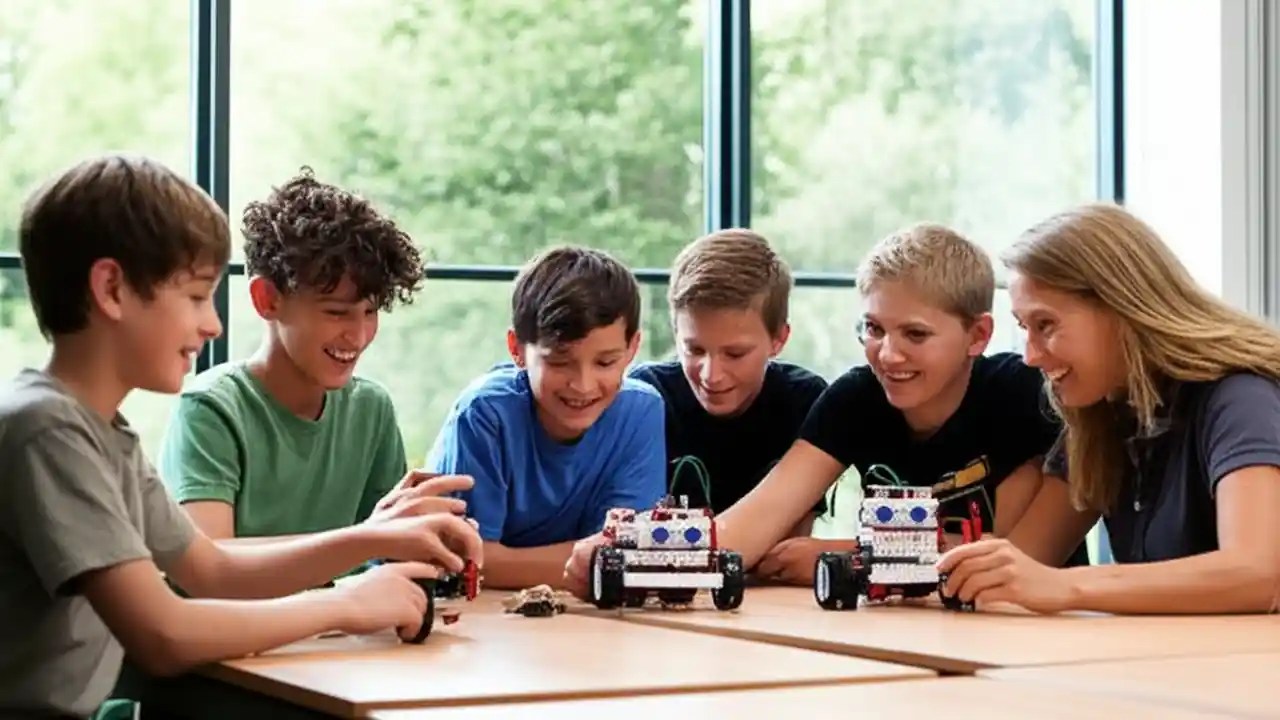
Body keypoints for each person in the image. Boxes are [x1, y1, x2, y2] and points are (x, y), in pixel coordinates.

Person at [0, 155, 482, 719]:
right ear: (112, 289)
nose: (213, 324)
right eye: (195, 296)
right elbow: (164, 635)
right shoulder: (48, 431)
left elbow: (211, 568)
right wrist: (345, 602)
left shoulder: (104, 435)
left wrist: (374, 539)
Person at [565, 222, 1069, 594]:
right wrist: (629, 551)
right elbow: (747, 527)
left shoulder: (1024, 393)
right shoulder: (854, 399)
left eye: (915, 334)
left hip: (1038, 632)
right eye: (874, 329)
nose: (888, 354)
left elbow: (1013, 560)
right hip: (918, 627)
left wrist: (846, 556)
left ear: (978, 335)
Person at [938, 202, 1280, 614]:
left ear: (1122, 308)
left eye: (1045, 325)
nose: (1029, 356)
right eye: (1025, 327)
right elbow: (1022, 567)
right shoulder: (1101, 415)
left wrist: (1066, 585)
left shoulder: (1240, 398)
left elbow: (1258, 574)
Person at [158, 168, 464, 546]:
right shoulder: (211, 410)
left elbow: (384, 550)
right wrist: (367, 537)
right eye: (336, 312)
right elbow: (210, 559)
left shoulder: (371, 408)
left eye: (370, 312)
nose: (358, 335)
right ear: (268, 299)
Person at [425, 245, 666, 590]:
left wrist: (614, 561)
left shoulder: (641, 411)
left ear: (632, 349)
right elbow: (468, 562)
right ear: (517, 349)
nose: (583, 385)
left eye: (605, 362)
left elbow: (631, 553)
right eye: (559, 362)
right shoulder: (485, 414)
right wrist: (604, 563)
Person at [628, 229, 827, 522]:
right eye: (694, 350)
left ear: (778, 340)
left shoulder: (804, 401)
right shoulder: (646, 396)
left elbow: (792, 538)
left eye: (735, 354)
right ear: (675, 332)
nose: (712, 376)